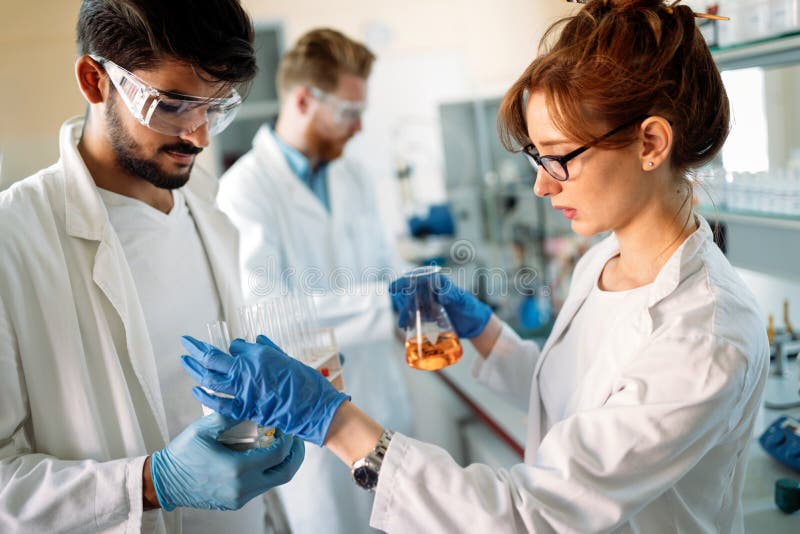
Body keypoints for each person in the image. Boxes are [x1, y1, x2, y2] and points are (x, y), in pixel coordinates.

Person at [181, 0, 770, 531]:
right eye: (538, 158)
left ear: (651, 144)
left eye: (559, 157)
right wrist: (487, 332)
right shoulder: (601, 261)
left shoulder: (705, 336)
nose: (541, 185)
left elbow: (531, 515)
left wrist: (333, 421)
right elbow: (575, 401)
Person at [0, 1, 305, 532]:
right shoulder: (14, 238)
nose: (200, 136)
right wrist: (151, 483)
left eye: (216, 106)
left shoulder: (211, 210)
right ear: (94, 81)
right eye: (172, 105)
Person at [216, 28, 413, 534]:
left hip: (383, 403)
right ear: (303, 100)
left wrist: (418, 292)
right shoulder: (244, 190)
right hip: (315, 430)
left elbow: (385, 267)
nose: (359, 127)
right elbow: (267, 315)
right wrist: (385, 305)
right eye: (349, 112)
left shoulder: (354, 176)